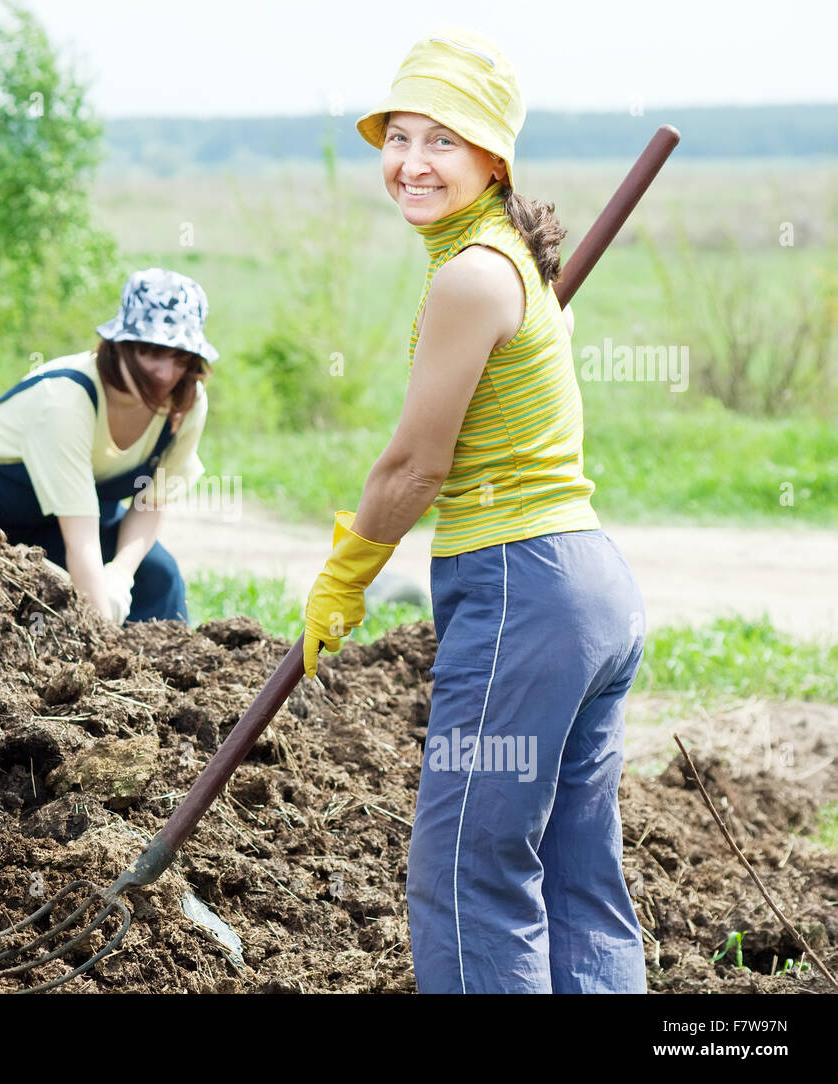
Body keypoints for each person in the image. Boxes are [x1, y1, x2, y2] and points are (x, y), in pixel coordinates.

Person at [302, 29, 648, 994]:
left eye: (441, 142)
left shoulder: (470, 275)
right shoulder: (514, 264)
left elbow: (414, 465)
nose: (411, 163)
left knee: (465, 872)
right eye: (398, 137)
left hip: (519, 594)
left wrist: (346, 574)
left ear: (493, 158)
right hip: (591, 592)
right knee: (580, 876)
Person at [0, 267, 216, 626]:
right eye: (153, 352)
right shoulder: (66, 400)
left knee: (158, 575)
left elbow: (151, 500)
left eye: (181, 357)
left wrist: (120, 576)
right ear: (121, 346)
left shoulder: (187, 401)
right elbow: (82, 544)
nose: (166, 373)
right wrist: (103, 639)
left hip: (70, 516)